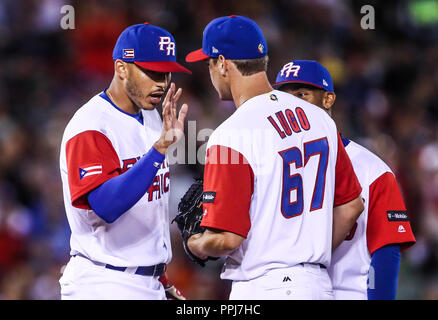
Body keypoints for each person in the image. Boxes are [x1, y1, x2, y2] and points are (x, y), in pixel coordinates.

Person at [184, 15, 364, 300]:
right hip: (318, 285)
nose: (210, 71)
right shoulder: (319, 118)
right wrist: (304, 254)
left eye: (208, 62)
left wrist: (196, 244)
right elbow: (351, 206)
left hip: (265, 287)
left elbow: (228, 239)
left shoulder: (231, 133)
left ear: (222, 63)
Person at [59, 23, 190, 300]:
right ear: (121, 68)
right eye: (152, 72)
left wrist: (161, 278)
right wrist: (159, 150)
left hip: (146, 282)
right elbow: (106, 205)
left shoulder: (153, 117)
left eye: (166, 72)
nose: (162, 83)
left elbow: (147, 215)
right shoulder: (92, 126)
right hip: (104, 282)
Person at [273, 60, 416, 299]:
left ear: (328, 99)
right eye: (284, 97)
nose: (292, 105)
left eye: (301, 94)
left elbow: (386, 251)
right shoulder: (271, 164)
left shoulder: (372, 170)